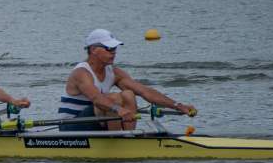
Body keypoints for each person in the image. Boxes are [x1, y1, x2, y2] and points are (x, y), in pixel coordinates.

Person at [58, 29, 197, 131]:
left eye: (115, 48)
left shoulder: (114, 73)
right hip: (69, 127)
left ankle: (127, 136)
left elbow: (146, 92)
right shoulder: (81, 72)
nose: (114, 52)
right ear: (94, 49)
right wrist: (119, 109)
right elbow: (96, 98)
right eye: (109, 48)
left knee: (128, 94)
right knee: (113, 97)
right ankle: (115, 141)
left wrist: (178, 106)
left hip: (94, 122)